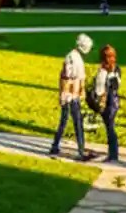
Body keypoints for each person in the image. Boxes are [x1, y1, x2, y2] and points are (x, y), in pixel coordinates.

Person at [49, 33, 95, 161]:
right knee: (76, 122)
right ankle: (80, 150)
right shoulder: (73, 58)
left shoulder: (74, 57)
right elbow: (67, 77)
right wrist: (69, 93)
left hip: (71, 94)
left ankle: (55, 146)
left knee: (65, 121)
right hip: (71, 95)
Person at [93, 44, 122, 162]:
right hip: (113, 101)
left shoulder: (105, 71)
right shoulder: (116, 69)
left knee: (110, 129)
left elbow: (100, 89)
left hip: (108, 103)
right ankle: (112, 153)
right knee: (110, 127)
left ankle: (113, 154)